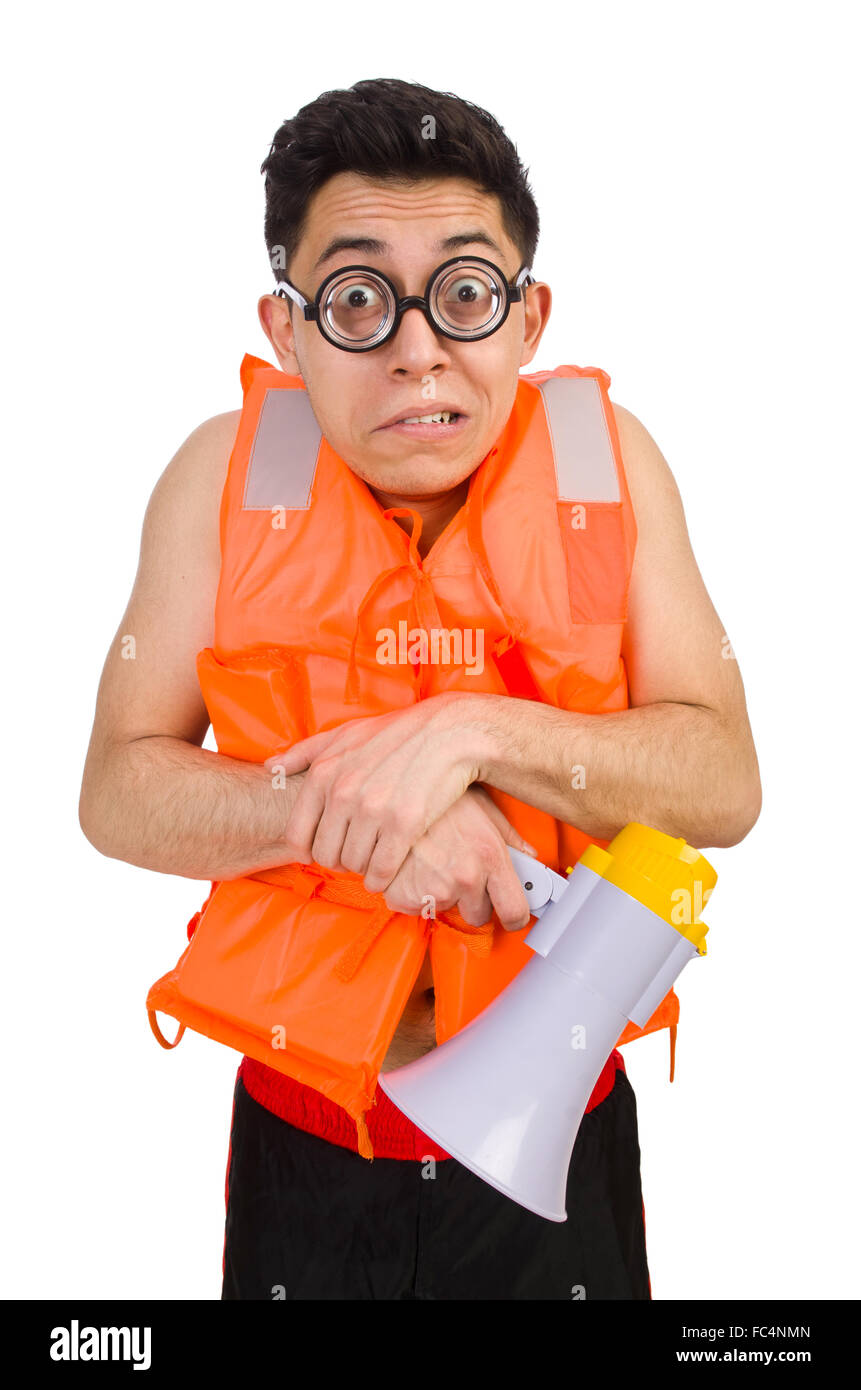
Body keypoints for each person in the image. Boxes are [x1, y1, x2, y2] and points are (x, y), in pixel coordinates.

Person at [79, 77, 761, 1301]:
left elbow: (723, 780)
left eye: (463, 292)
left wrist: (469, 730)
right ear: (285, 331)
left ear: (527, 315)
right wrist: (348, 811)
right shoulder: (221, 478)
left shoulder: (613, 463)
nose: (416, 349)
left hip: (563, 1124)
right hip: (309, 1135)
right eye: (355, 299)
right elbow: (120, 791)